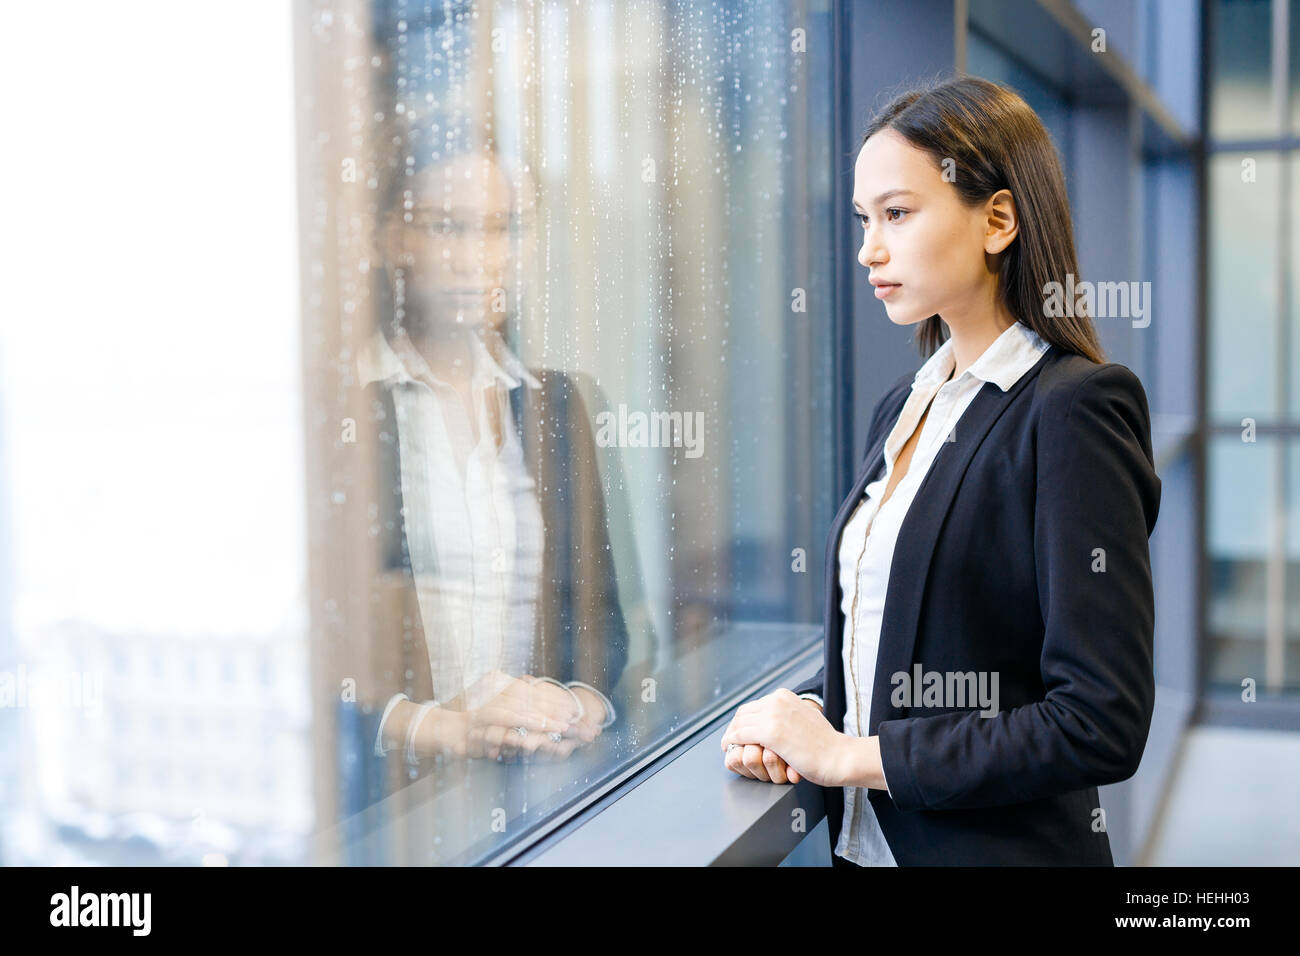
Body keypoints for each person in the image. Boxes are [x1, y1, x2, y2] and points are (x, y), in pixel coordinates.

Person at [720, 75, 1162, 866]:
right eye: (864, 219)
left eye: (897, 213)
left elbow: (1100, 720)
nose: (868, 249)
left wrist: (848, 757)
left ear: (997, 220)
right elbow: (911, 643)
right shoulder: (904, 406)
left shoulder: (1073, 410)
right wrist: (802, 717)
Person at [349, 143, 630, 799]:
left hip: (542, 793)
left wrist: (578, 702)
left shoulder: (557, 404)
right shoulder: (347, 413)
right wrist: (444, 730)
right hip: (393, 809)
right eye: (448, 225)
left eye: (502, 228)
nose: (479, 257)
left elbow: (606, 626)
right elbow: (319, 677)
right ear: (392, 237)